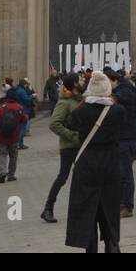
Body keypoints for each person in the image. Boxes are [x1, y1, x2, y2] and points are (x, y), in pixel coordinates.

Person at [65, 71, 125, 253]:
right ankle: (112, 243)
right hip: (110, 163)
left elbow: (69, 125)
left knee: (86, 209)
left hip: (87, 163)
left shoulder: (80, 111)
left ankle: (90, 248)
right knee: (110, 207)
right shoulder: (118, 111)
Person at [41, 73, 82, 223]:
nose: (83, 81)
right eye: (80, 80)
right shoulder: (64, 103)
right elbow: (54, 124)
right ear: (75, 84)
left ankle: (80, 208)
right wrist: (71, 136)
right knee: (63, 177)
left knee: (82, 177)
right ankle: (48, 208)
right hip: (69, 146)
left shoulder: (79, 100)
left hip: (81, 145)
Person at [108, 69, 136, 217]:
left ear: (115, 81)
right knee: (121, 173)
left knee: (125, 174)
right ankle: (122, 203)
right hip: (125, 138)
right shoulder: (126, 89)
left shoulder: (124, 91)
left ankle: (127, 205)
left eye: (108, 82)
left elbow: (116, 100)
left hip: (125, 138)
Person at [0, 86, 28, 183]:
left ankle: (2, 173)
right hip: (14, 136)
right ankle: (11, 175)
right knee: (13, 156)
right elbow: (24, 120)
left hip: (1, 136)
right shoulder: (19, 107)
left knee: (2, 155)